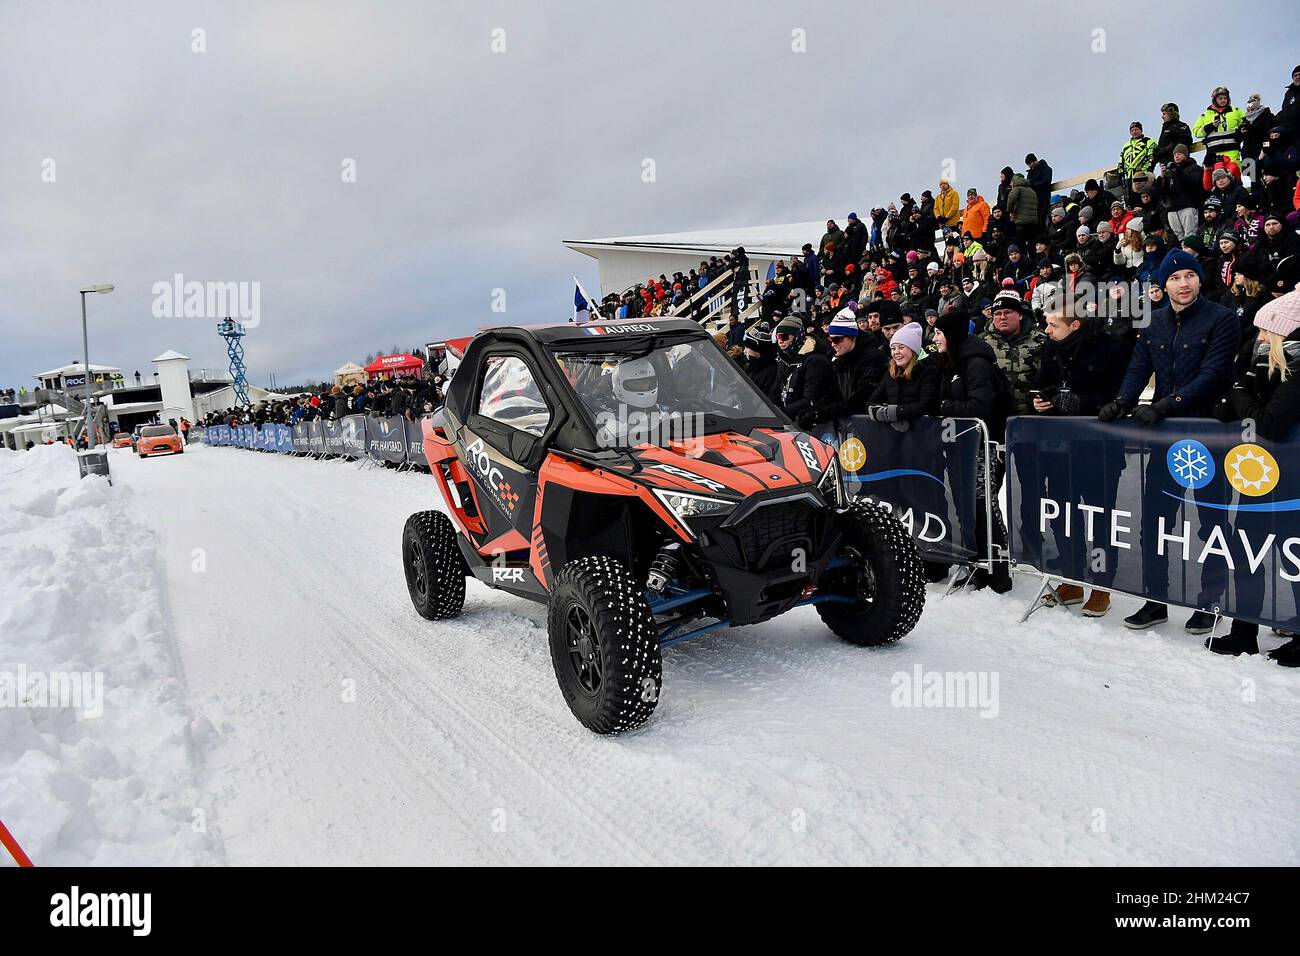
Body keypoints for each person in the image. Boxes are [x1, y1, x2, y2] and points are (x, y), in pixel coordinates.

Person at [1099, 249, 1241, 632]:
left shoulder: (1222, 319)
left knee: (1211, 523)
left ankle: (1210, 601)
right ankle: (1155, 600)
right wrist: (1122, 401)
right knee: (1155, 520)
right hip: (1165, 438)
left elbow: (1213, 374)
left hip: (1207, 435)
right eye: (1175, 278)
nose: (1183, 284)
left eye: (1189, 276)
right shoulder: (1153, 323)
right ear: (1163, 285)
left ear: (1199, 279)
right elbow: (1138, 368)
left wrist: (1165, 405)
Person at [1206, 289, 1300, 664]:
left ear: (1284, 333)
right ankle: (1243, 632)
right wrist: (1238, 395)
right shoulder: (1265, 364)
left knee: (1294, 558)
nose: (1259, 338)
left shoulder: (1297, 371)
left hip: (1292, 483)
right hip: (1259, 481)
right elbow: (1230, 409)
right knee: (1246, 552)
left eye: (1265, 332)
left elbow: (1270, 423)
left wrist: (1240, 392)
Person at [1027, 308, 1134, 617]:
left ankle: (1102, 587)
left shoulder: (1111, 347)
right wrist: (1041, 399)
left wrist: (1079, 403)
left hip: (1099, 450)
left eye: (1052, 324)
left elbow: (1120, 397)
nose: (1046, 330)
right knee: (1063, 515)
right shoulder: (1051, 347)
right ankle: (1072, 579)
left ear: (1074, 325)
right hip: (1058, 449)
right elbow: (1042, 381)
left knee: (1100, 518)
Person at [933, 310, 1015, 593]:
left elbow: (979, 406)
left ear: (952, 335)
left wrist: (944, 407)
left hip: (985, 446)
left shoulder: (976, 363)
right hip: (962, 447)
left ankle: (998, 571)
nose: (935, 338)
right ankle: (979, 565)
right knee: (967, 506)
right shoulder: (952, 361)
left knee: (984, 506)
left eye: (939, 333)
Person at [810, 312, 888, 427]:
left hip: (873, 426)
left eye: (837, 340)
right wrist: (815, 410)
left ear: (852, 336)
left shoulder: (874, 358)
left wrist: (822, 414)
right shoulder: (841, 360)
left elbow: (861, 399)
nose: (833, 345)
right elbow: (834, 393)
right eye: (830, 340)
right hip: (853, 425)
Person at [866, 321, 940, 423]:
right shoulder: (890, 373)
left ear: (913, 350)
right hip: (893, 432)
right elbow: (872, 401)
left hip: (924, 430)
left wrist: (896, 412)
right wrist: (879, 412)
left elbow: (927, 405)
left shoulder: (928, 371)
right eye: (893, 348)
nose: (896, 352)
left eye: (901, 347)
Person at [772, 316, 838, 424]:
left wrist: (782, 415)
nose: (780, 341)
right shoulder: (784, 359)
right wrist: (770, 410)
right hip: (786, 421)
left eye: (783, 337)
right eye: (777, 337)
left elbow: (811, 399)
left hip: (806, 423)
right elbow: (775, 390)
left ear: (796, 336)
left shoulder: (815, 361)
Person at [1193, 86, 1246, 166]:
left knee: (1234, 172)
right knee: (1217, 174)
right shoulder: (1205, 115)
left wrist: (1240, 131)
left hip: (1232, 151)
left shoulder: (1236, 111)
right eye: (1220, 98)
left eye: (1225, 98)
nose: (1223, 100)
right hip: (1213, 154)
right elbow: (1196, 132)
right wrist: (1210, 127)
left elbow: (1246, 122)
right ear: (1215, 100)